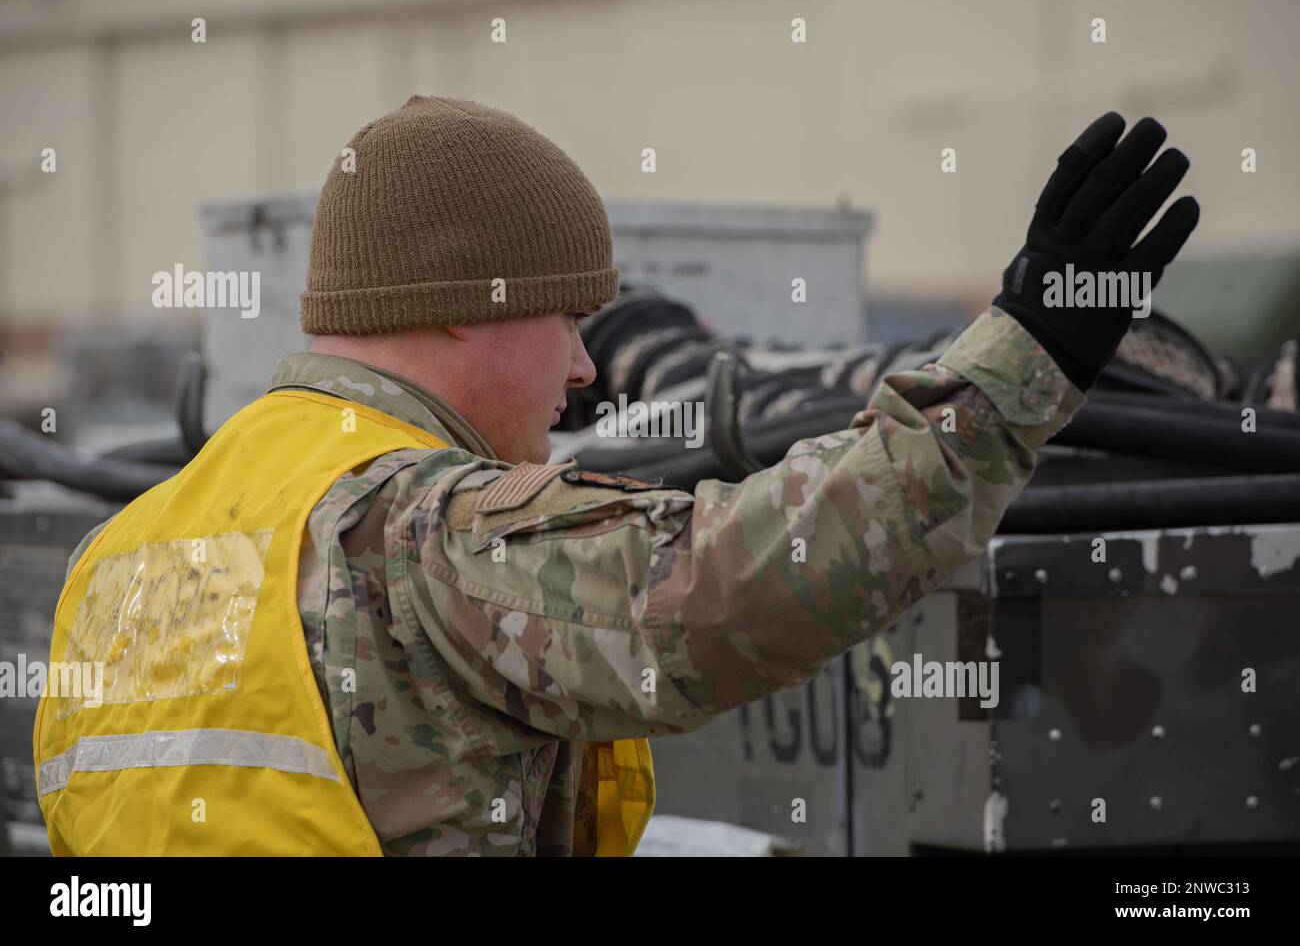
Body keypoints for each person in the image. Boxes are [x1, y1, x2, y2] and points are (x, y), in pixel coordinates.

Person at [36, 98, 1197, 856]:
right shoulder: (426, 530)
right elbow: (747, 581)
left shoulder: (120, 550)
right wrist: (1024, 356)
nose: (589, 364)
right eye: (570, 315)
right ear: (462, 311)